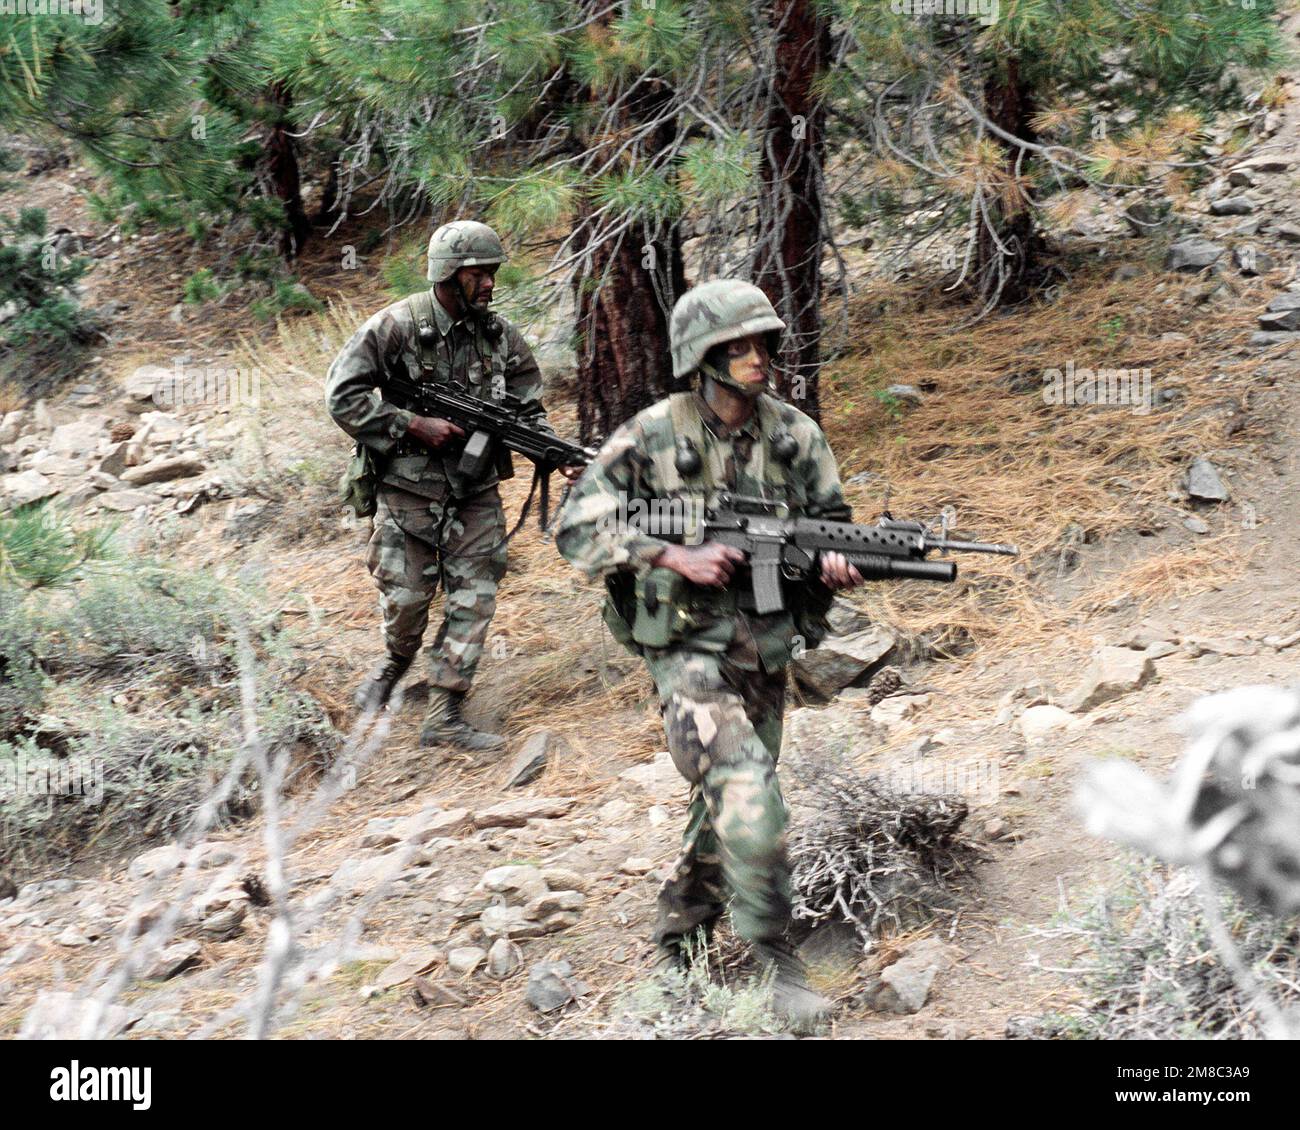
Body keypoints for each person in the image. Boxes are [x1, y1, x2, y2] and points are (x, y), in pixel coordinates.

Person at [554, 278, 866, 1031]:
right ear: (704, 357)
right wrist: (670, 555)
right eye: (739, 347)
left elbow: (831, 525)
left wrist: (834, 564)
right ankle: (778, 962)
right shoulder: (653, 434)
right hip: (686, 652)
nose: (758, 359)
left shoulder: (795, 436)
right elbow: (574, 530)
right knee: (749, 790)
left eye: (764, 344)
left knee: (724, 804)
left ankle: (679, 939)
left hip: (763, 646)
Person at [326, 219, 577, 752]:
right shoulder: (395, 326)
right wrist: (412, 424)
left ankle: (446, 711)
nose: (489, 283)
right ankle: (395, 663)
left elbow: (528, 410)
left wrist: (558, 457)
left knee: (474, 597)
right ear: (447, 274)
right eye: (477, 273)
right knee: (408, 600)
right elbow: (342, 396)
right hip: (408, 493)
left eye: (492, 273)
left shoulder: (500, 335)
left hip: (475, 492)